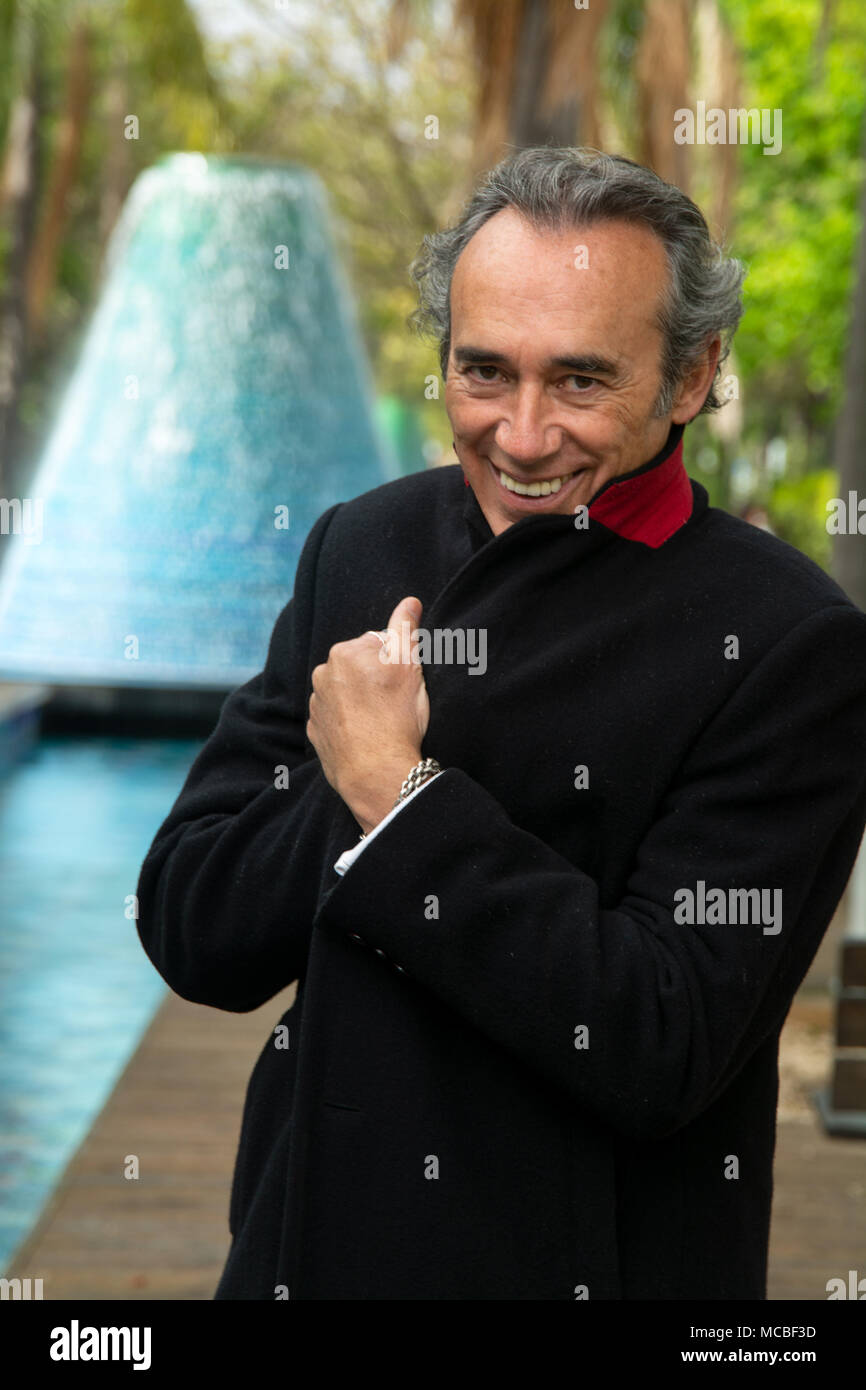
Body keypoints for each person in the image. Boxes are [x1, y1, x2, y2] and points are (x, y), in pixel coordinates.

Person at [135, 147, 866, 1300]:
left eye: (579, 381)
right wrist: (346, 788)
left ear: (690, 376)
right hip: (302, 1254)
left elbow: (659, 1037)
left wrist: (398, 797)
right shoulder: (360, 544)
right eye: (483, 373)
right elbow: (191, 928)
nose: (521, 438)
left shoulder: (785, 640)